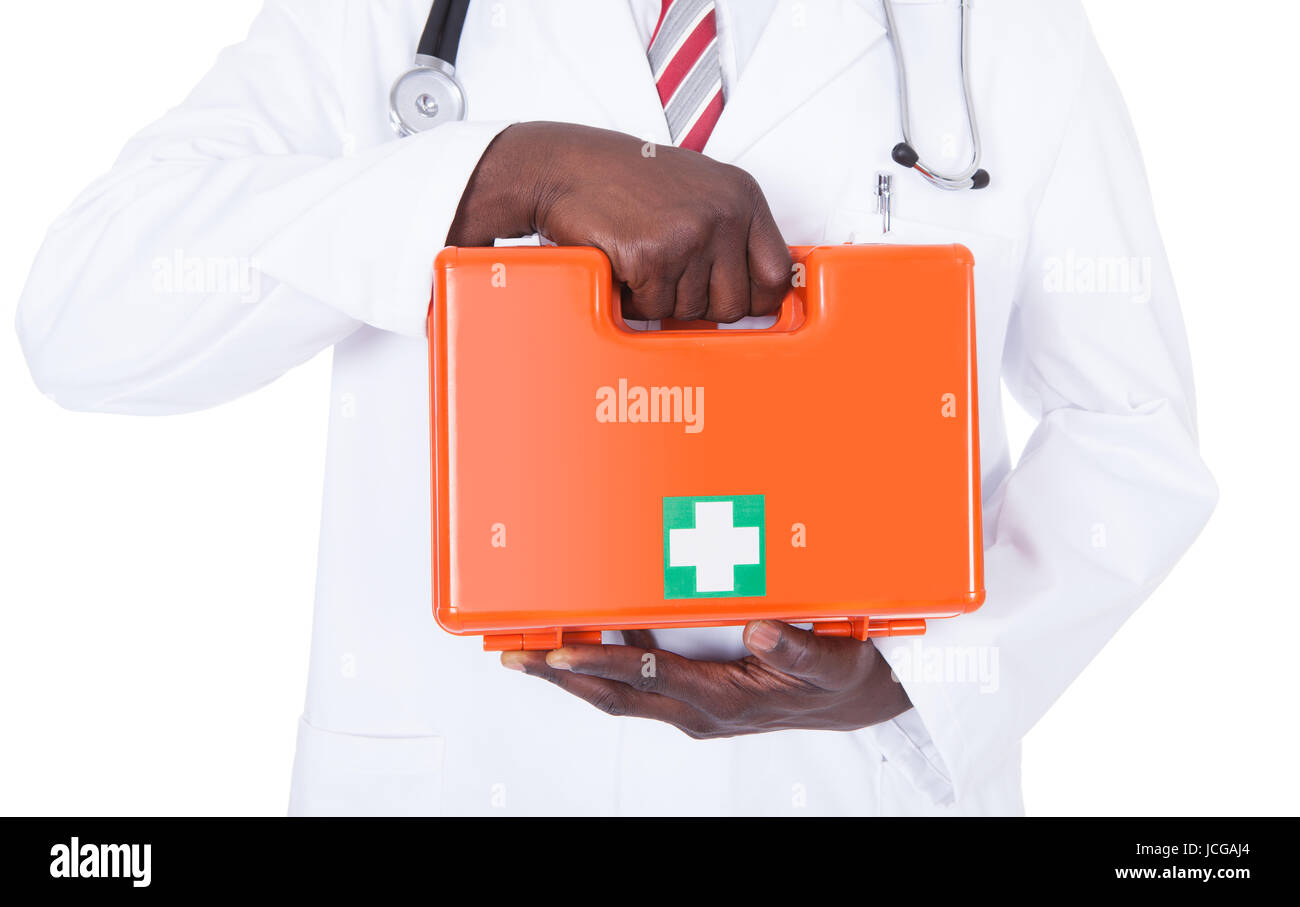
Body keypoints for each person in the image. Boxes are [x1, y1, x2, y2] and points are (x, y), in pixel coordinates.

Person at [14, 0, 1216, 816]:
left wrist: (924, 675)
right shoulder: (393, 19)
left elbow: (1131, 420)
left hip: (840, 784)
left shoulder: (983, 26)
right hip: (462, 772)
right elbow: (86, 313)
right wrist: (501, 172)